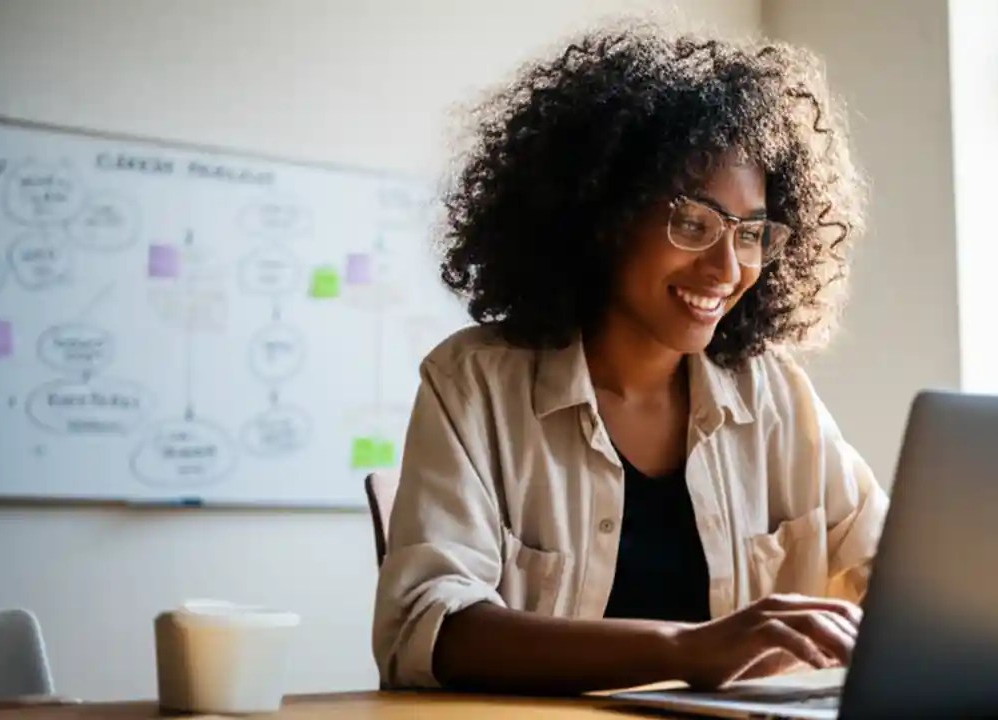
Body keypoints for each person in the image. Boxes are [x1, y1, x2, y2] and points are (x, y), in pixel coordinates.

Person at [373, 22, 888, 694]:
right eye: (693, 224)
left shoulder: (773, 392)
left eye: (752, 234)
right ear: (602, 217)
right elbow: (429, 629)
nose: (727, 267)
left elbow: (894, 574)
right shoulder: (474, 382)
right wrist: (685, 649)